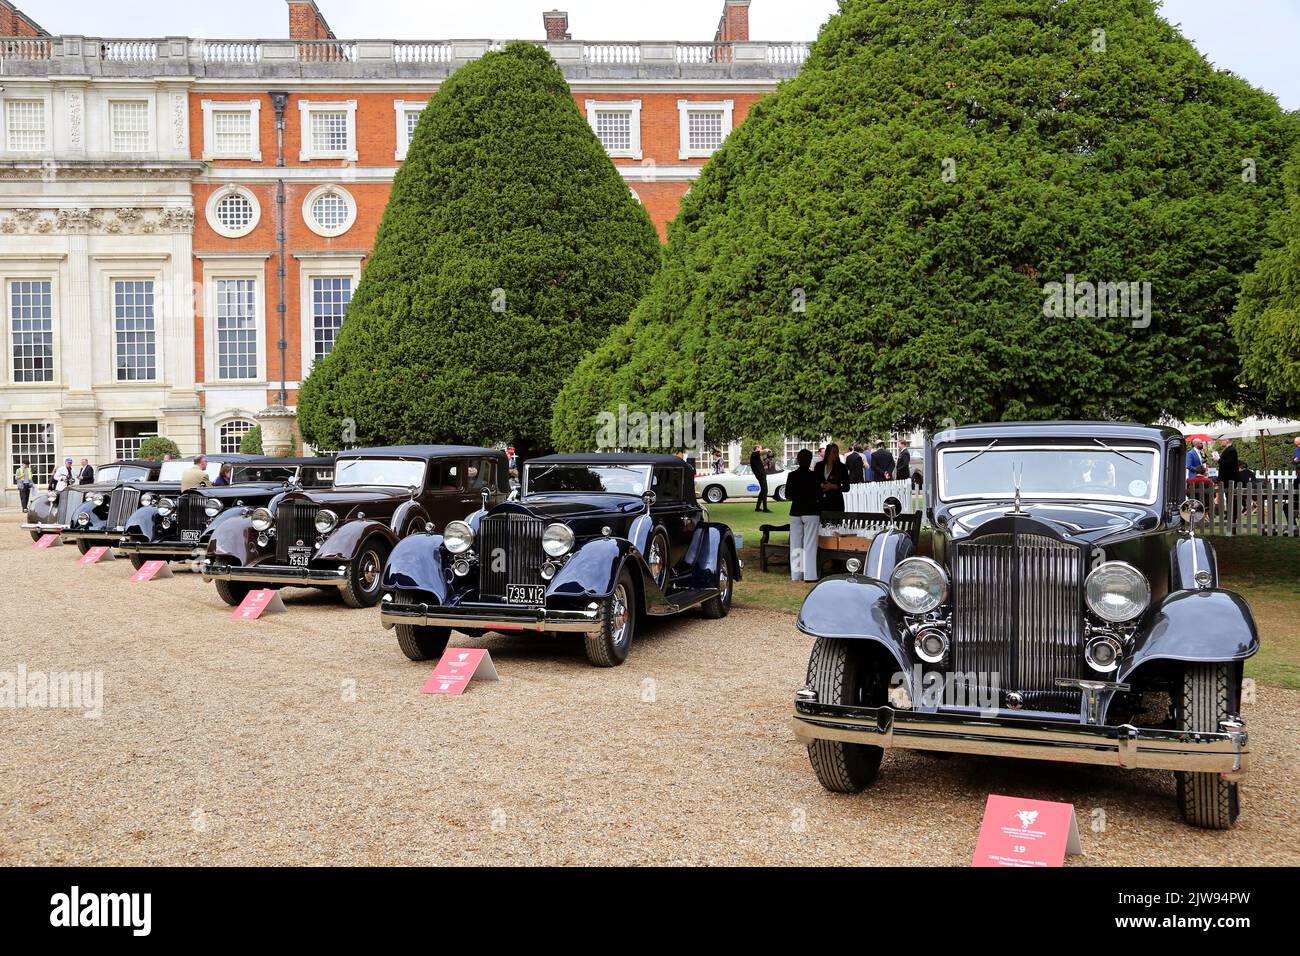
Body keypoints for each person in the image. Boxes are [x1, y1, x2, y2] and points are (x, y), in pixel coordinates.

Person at [785, 449, 821, 583]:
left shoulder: (792, 475)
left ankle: (796, 575)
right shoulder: (814, 476)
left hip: (796, 511)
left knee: (795, 543)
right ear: (810, 460)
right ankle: (810, 575)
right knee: (810, 544)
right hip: (811, 511)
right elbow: (818, 493)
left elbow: (788, 494)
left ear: (798, 460)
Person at [814, 442, 850, 513]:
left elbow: (846, 487)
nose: (837, 454)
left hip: (836, 504)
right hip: (821, 504)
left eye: (837, 452)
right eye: (834, 452)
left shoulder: (842, 467)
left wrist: (833, 486)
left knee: (836, 524)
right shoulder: (819, 466)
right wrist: (820, 485)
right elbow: (814, 482)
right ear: (828, 453)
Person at [749, 444, 770, 513]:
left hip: (761, 474)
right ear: (757, 448)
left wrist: (765, 466)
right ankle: (765, 508)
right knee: (765, 490)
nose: (761, 449)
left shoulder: (756, 457)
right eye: (760, 448)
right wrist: (768, 450)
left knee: (763, 491)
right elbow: (764, 451)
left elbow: (759, 466)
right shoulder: (754, 454)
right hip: (760, 475)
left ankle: (757, 508)